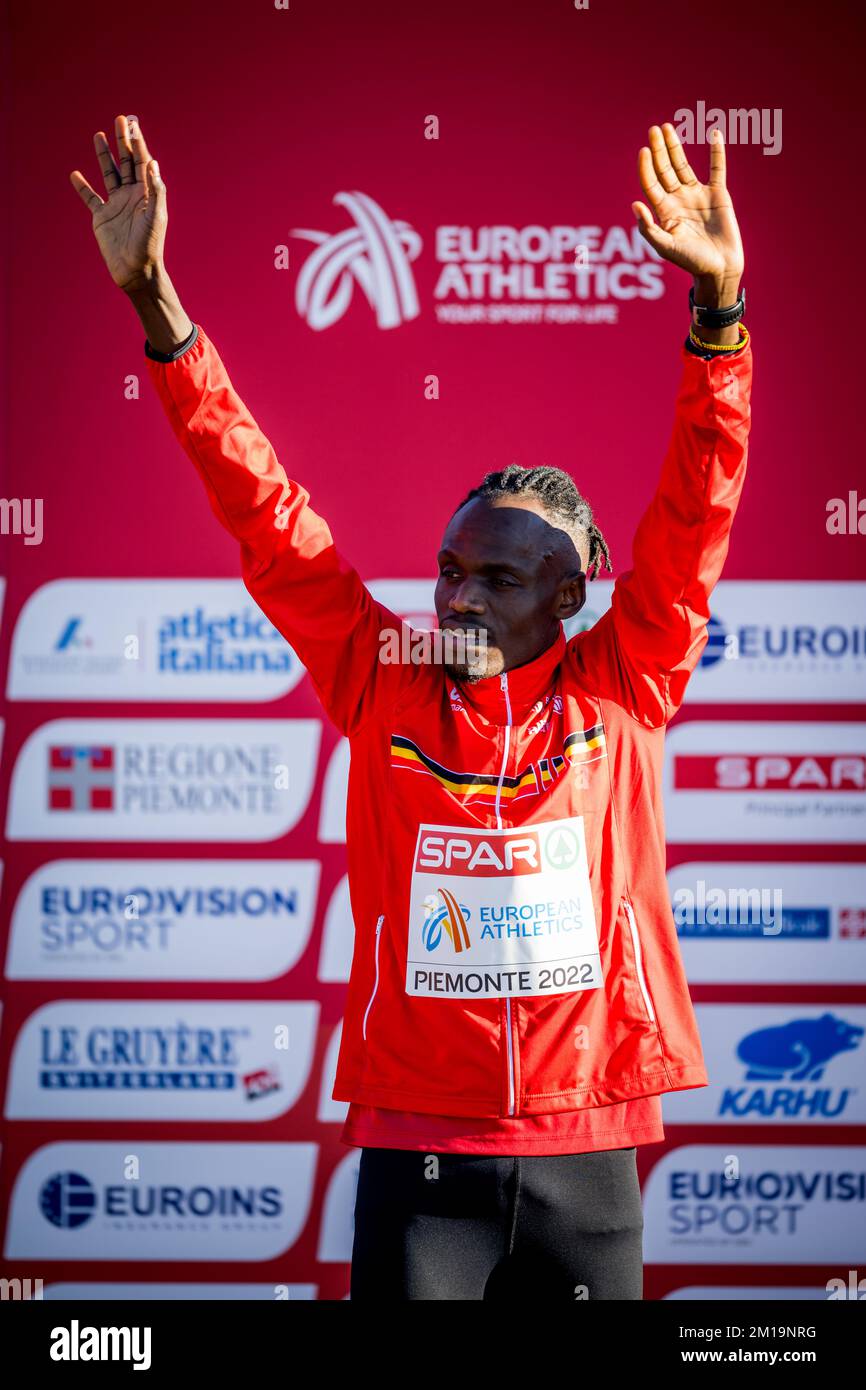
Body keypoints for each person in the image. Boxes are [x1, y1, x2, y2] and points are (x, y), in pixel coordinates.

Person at [70, 115, 751, 1301]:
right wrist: (161, 316)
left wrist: (716, 323)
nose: (457, 594)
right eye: (447, 568)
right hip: (415, 1151)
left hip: (584, 1149)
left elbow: (695, 512)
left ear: (567, 593)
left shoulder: (624, 676)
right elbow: (266, 511)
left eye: (494, 576)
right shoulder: (379, 670)